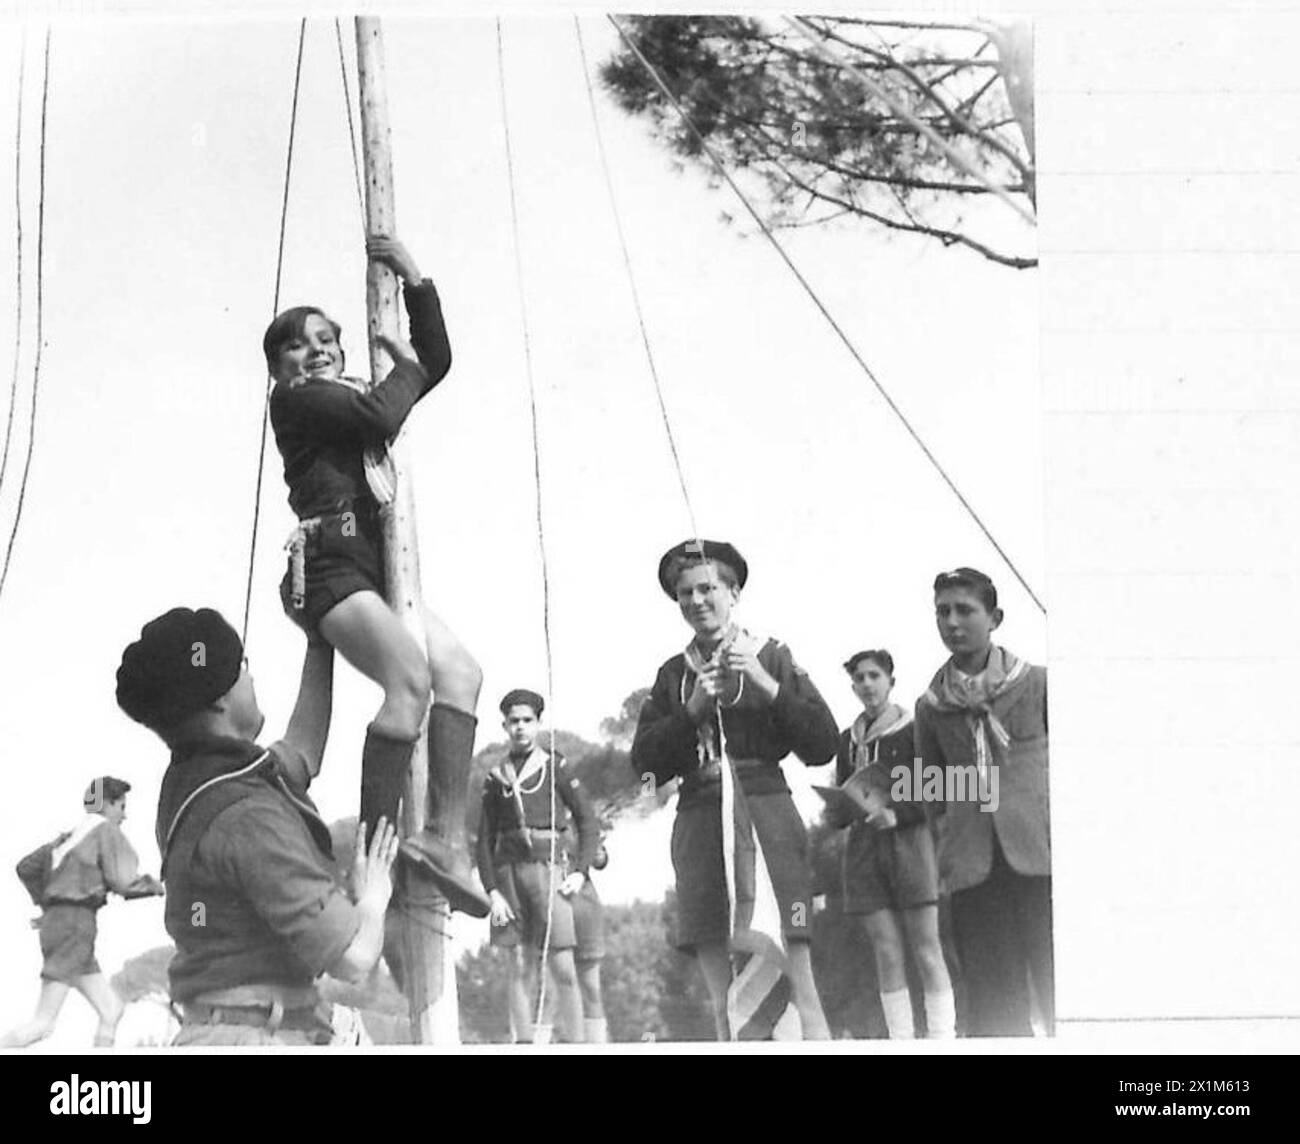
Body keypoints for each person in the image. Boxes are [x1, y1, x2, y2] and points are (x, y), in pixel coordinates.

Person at [265, 233, 486, 917]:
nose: (321, 348)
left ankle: (447, 840)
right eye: (301, 343)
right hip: (331, 562)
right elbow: (380, 411)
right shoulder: (301, 400)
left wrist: (415, 280)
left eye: (329, 337)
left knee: (460, 676)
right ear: (279, 365)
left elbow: (433, 365)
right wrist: (405, 372)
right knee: (408, 683)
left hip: (377, 565)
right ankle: (374, 864)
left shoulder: (349, 393)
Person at [115, 606, 399, 1045]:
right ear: (219, 699)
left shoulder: (200, 780)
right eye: (242, 666)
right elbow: (355, 958)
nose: (252, 677)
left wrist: (319, 641)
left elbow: (302, 751)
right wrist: (373, 899)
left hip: (228, 1030)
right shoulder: (250, 818)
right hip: (251, 1037)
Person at [631, 539, 836, 1040]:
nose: (697, 601)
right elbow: (644, 768)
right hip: (700, 824)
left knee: (797, 980)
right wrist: (693, 710)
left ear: (734, 591)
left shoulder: (772, 654)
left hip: (768, 819)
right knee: (723, 999)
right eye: (685, 593)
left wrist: (765, 683)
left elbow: (823, 744)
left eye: (708, 589)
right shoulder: (673, 675)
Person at [914, 567, 1052, 1037]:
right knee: (996, 1002)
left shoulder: (1036, 684)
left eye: (965, 610)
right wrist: (949, 854)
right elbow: (933, 793)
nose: (952, 621)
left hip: (1043, 857)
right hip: (974, 866)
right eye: (942, 612)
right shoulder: (931, 706)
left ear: (994, 617)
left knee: (1061, 985)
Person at [829, 649, 955, 1039]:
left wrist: (898, 814)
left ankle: (942, 1039)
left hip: (910, 843)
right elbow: (844, 798)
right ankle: (901, 1040)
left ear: (891, 682)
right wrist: (839, 808)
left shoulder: (913, 729)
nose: (867, 684)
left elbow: (940, 789)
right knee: (885, 950)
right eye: (860, 678)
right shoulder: (846, 739)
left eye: (874, 676)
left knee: (926, 947)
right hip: (864, 849)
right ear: (853, 686)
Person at [2, 777, 164, 1048]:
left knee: (111, 1010)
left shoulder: (68, 838)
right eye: (121, 806)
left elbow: (26, 868)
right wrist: (153, 886)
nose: (124, 815)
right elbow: (123, 881)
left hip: (62, 925)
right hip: (76, 927)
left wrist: (50, 905)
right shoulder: (105, 831)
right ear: (109, 804)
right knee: (43, 1023)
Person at [476, 689, 599, 1044]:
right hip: (507, 879)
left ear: (539, 723)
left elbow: (588, 822)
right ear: (504, 725)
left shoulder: (555, 767)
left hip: (550, 874)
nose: (520, 728)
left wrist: (580, 871)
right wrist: (492, 891)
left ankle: (577, 1044)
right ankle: (524, 1042)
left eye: (527, 720)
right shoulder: (494, 777)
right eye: (513, 721)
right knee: (515, 964)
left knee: (562, 965)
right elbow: (484, 840)